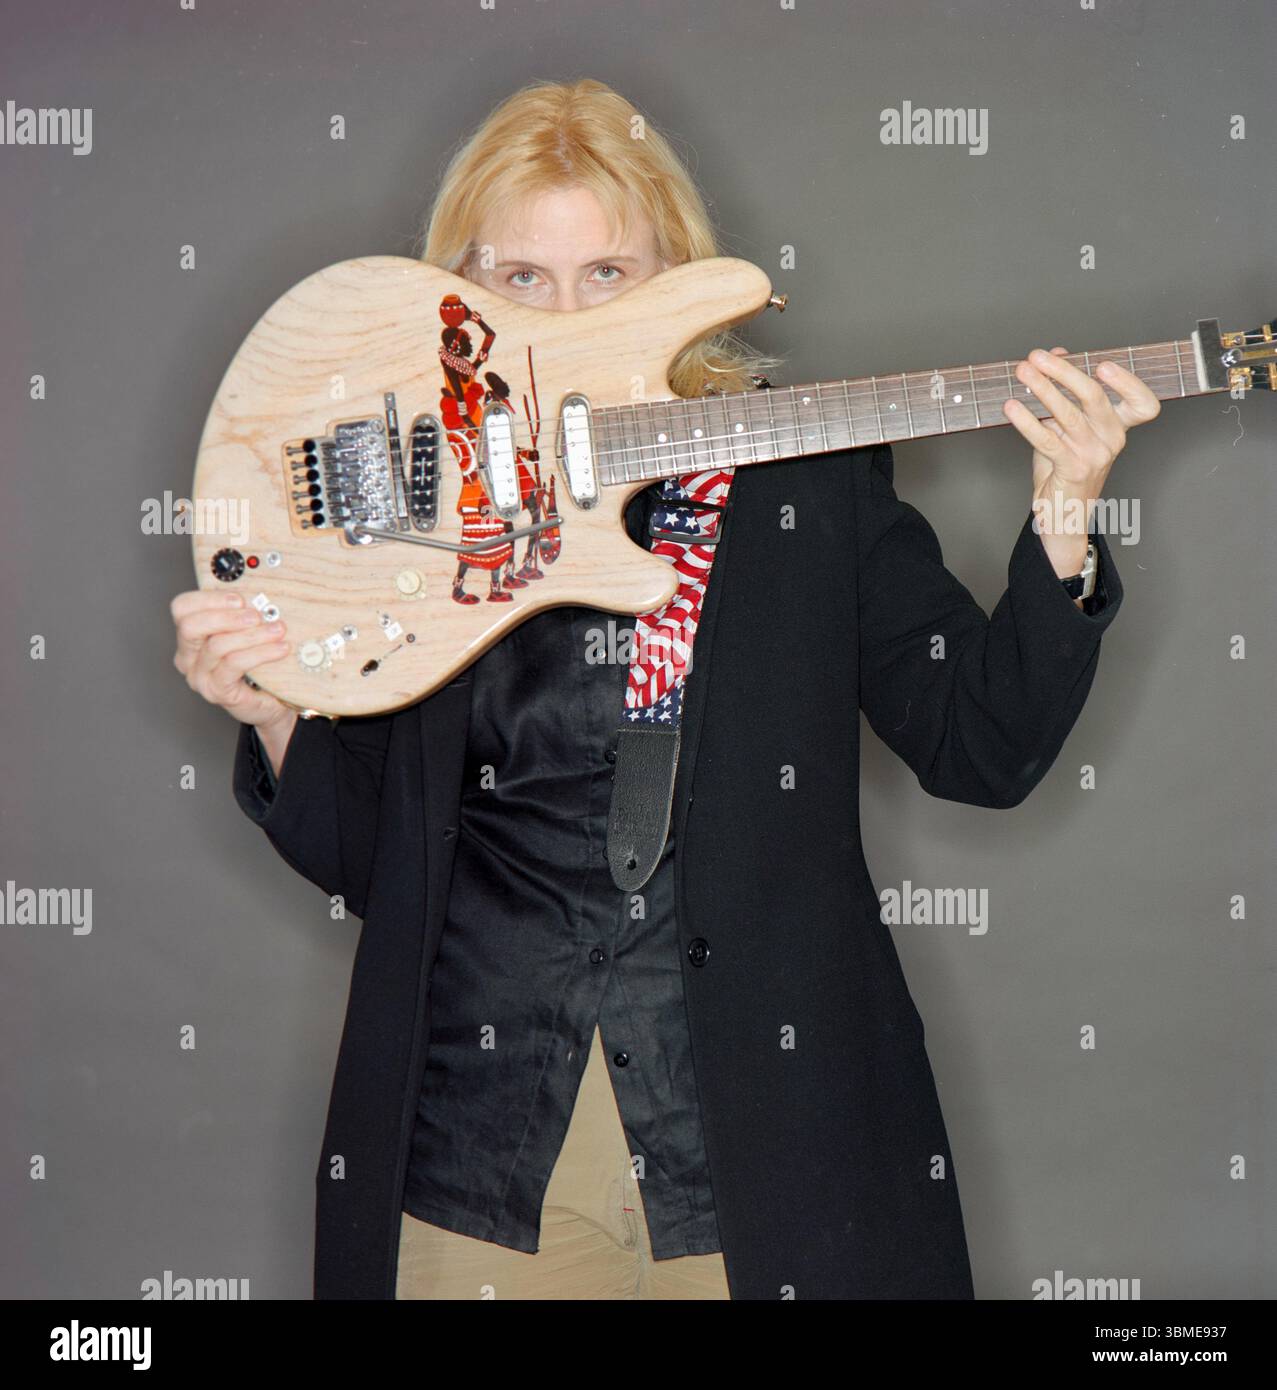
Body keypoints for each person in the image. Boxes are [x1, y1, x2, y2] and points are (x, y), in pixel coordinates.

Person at [171, 78, 1160, 1300]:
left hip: (761, 1151)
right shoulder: (429, 531)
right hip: (480, 1164)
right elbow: (382, 865)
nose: (562, 307)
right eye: (522, 276)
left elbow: (980, 748)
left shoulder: (806, 474)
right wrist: (273, 716)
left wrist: (1062, 515)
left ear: (676, 284)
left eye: (607, 273)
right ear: (458, 295)